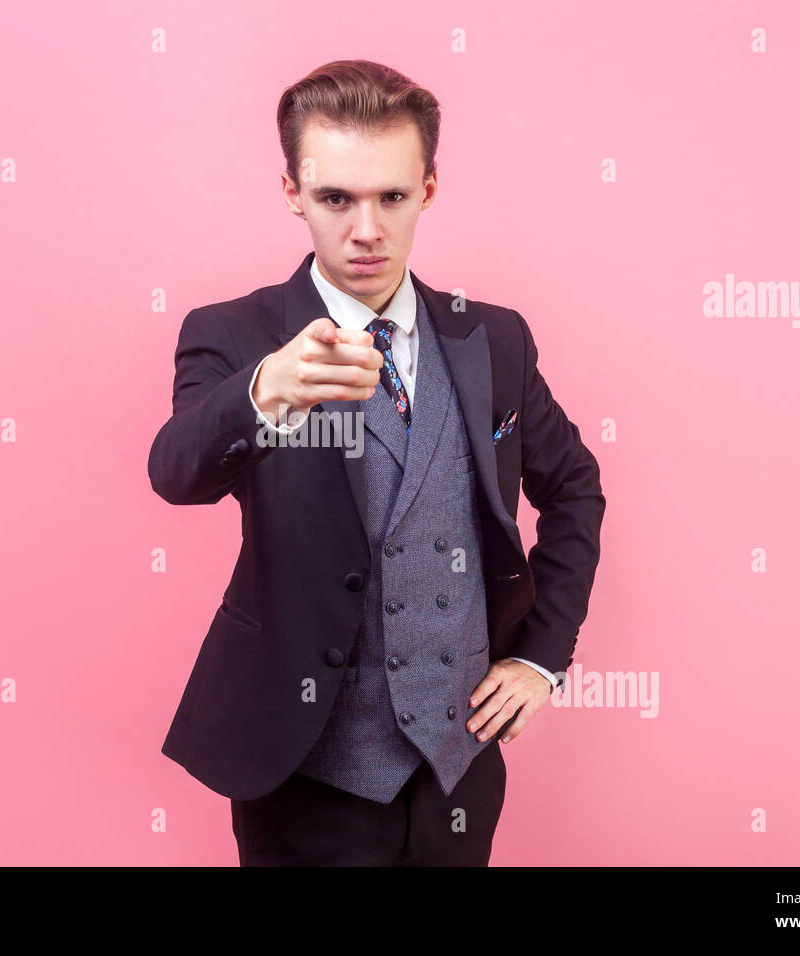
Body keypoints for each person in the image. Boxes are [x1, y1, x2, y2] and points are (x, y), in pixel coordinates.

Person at [147, 59, 605, 865]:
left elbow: (574, 488)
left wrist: (541, 655)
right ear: (293, 190)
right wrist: (262, 393)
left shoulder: (492, 337)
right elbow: (176, 472)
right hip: (302, 767)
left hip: (458, 768)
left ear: (428, 188)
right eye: (336, 198)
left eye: (391, 196)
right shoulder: (235, 334)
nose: (366, 229)